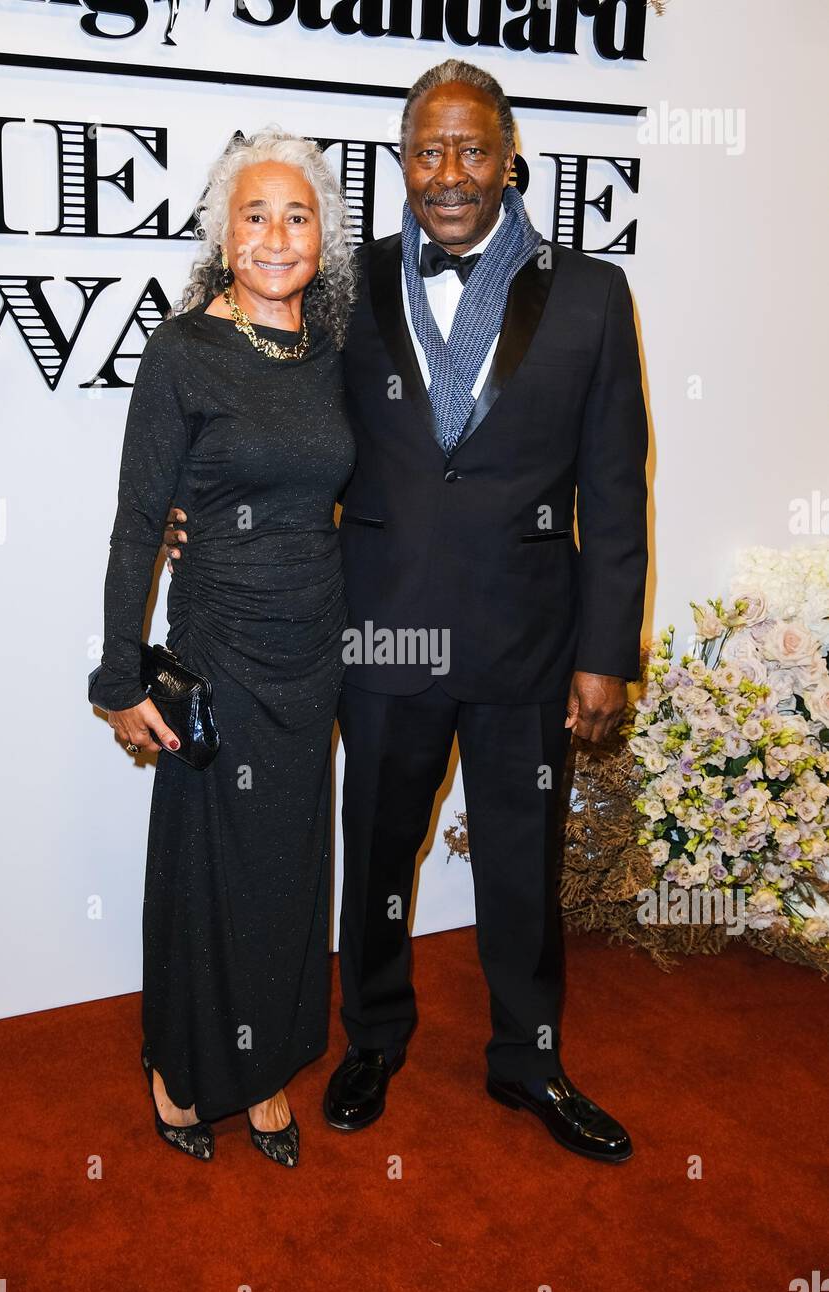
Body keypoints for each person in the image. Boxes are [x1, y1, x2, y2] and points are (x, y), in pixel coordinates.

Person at [166, 60, 649, 1164]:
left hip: (528, 633)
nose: (448, 173)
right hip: (380, 625)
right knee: (376, 849)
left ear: (508, 154)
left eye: (470, 149)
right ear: (399, 162)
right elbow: (267, 407)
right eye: (424, 151)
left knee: (521, 861)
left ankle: (528, 1058)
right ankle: (372, 1037)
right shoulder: (350, 286)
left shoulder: (588, 293)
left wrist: (603, 651)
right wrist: (187, 511)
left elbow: (616, 487)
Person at [89, 129, 357, 1164]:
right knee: (209, 863)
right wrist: (118, 676)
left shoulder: (333, 355)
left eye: (296, 215)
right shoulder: (183, 351)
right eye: (254, 214)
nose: (276, 234)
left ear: (321, 236)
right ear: (223, 234)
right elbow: (133, 520)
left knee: (290, 868)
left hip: (315, 650)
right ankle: (181, 1064)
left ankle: (268, 1068)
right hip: (221, 650)